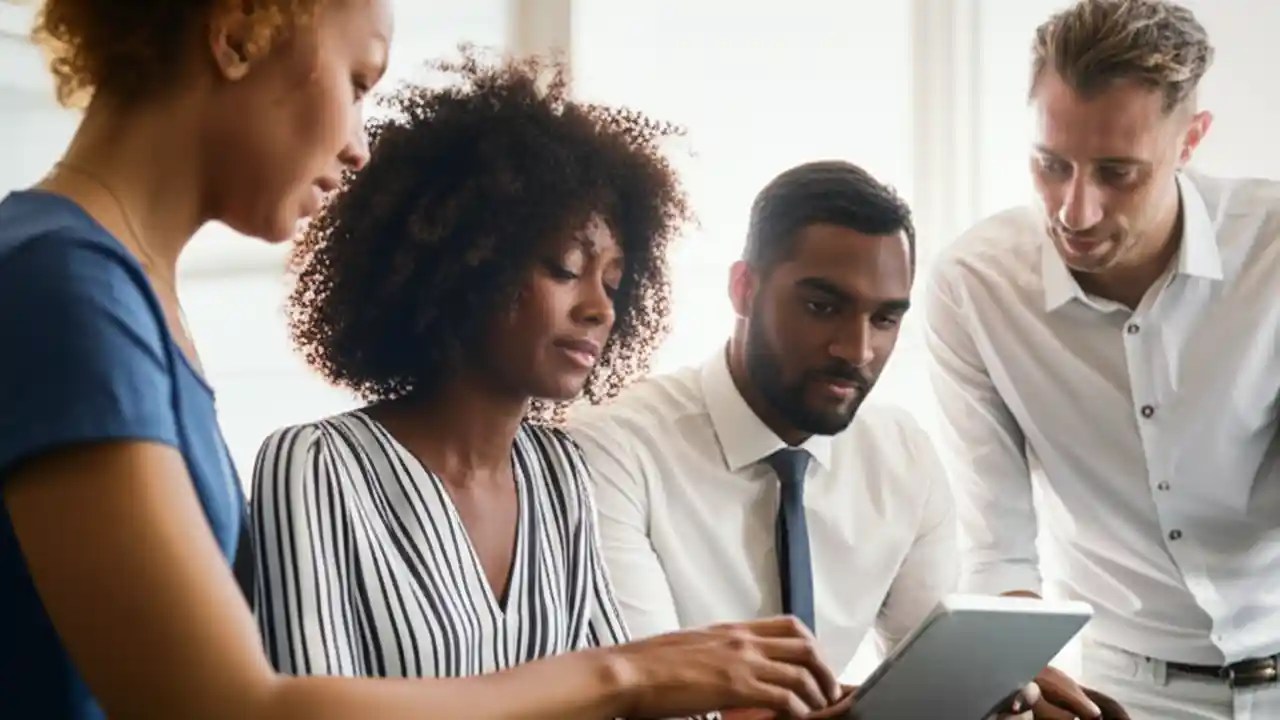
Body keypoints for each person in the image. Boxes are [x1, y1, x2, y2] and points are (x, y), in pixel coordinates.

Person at [0, 2, 835, 718]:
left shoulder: (123, 296)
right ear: (242, 30)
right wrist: (631, 673)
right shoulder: (64, 288)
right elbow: (230, 708)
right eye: (358, 82)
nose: (360, 146)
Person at [250, 52, 845, 720]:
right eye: (566, 268)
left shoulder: (559, 475)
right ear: (461, 265)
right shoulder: (317, 467)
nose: (601, 308)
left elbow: (618, 703)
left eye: (614, 283)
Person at [568, 160, 1037, 719]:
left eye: (885, 320)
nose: (856, 349)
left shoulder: (902, 457)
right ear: (743, 288)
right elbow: (643, 697)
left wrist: (1002, 697)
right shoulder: (612, 452)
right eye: (823, 307)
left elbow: (931, 686)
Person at [925, 1, 1280, 718]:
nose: (1075, 211)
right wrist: (1021, 680)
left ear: (1192, 141)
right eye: (1051, 165)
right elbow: (997, 550)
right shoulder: (974, 288)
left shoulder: (1271, 254)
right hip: (1118, 694)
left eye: (1118, 172)